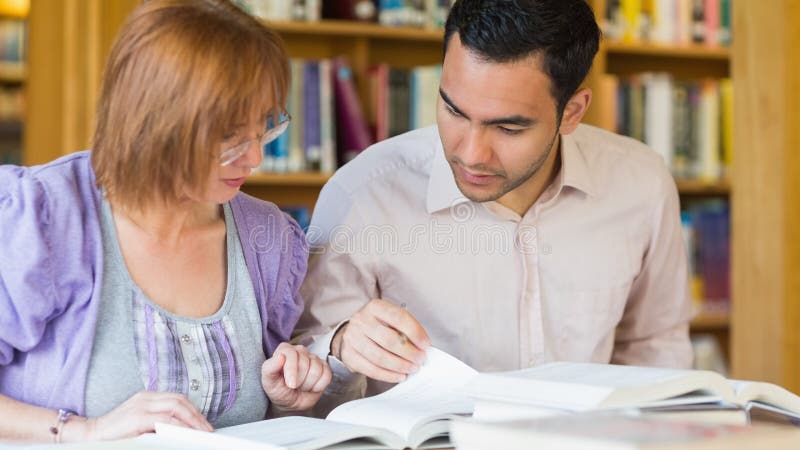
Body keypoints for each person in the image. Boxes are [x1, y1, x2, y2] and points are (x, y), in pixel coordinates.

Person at [296, 0, 693, 412]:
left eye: (507, 127)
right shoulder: (364, 194)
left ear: (571, 112)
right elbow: (305, 389)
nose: (470, 154)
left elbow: (654, 347)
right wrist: (339, 350)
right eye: (453, 110)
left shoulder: (640, 185)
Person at [0, 0, 330, 443]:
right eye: (229, 135)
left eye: (264, 127)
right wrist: (86, 430)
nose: (254, 157)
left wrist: (283, 400)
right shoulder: (45, 219)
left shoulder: (267, 239)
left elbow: (257, 421)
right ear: (158, 121)